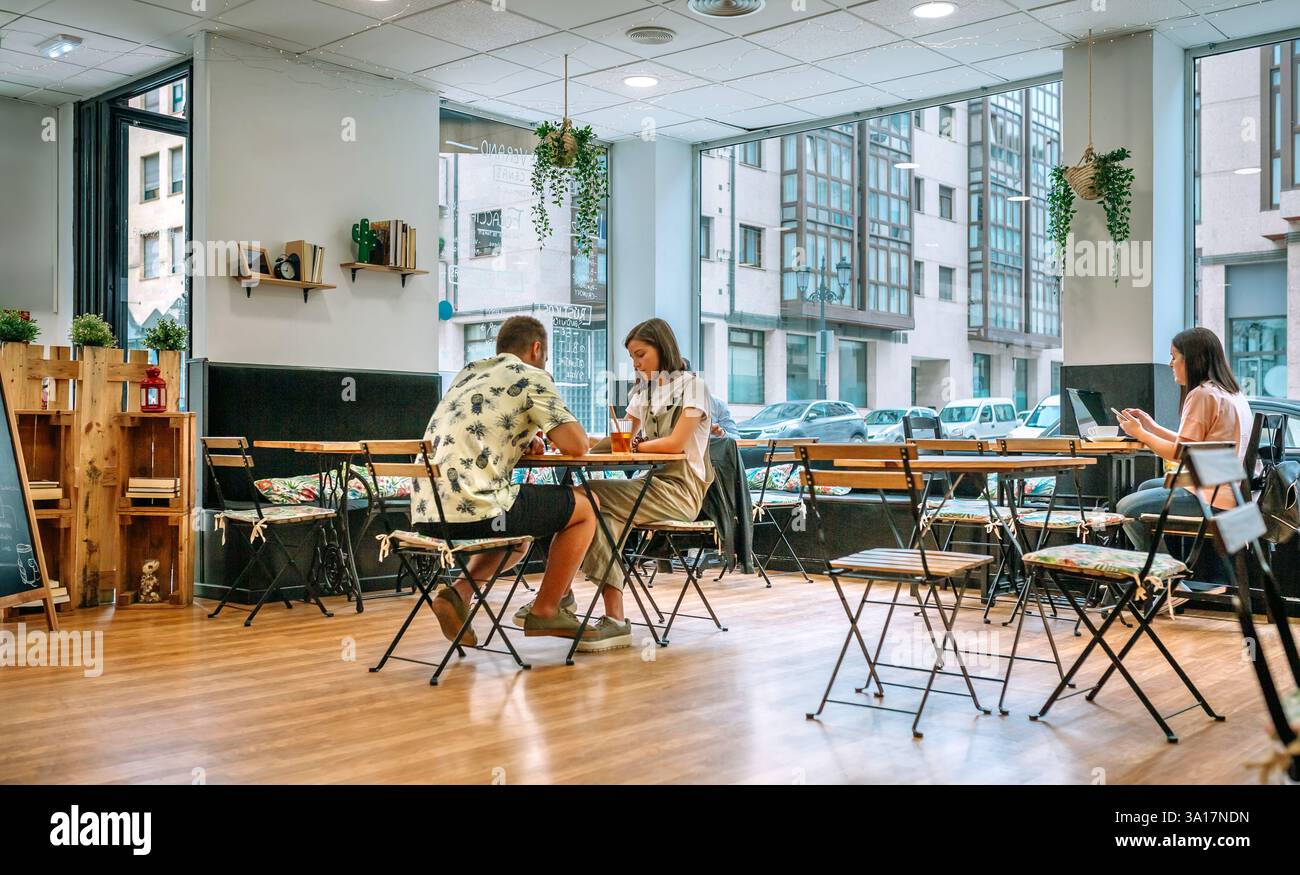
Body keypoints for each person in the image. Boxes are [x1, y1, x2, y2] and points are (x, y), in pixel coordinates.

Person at [518, 318, 715, 653]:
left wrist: (633, 445)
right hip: (650, 484)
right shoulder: (643, 392)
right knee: (597, 516)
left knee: (584, 497)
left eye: (641, 355)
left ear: (662, 348)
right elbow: (622, 437)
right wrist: (580, 444)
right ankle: (616, 621)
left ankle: (560, 595)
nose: (636, 364)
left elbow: (676, 443)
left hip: (681, 491)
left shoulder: (693, 388)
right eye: (632, 358)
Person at [414, 315, 598, 646]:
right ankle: (546, 609)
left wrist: (523, 438)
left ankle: (457, 594)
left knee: (519, 538)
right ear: (537, 348)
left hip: (428, 511)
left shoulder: (468, 374)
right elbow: (578, 445)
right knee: (588, 505)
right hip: (477, 508)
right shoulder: (530, 376)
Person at [1115, 327, 1252, 588]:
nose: (1170, 364)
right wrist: (1151, 427)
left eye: (1174, 357)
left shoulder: (1202, 394)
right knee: (1146, 488)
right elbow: (1192, 445)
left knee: (1127, 508)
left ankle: (1168, 583)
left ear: (1193, 359)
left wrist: (1141, 434)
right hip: (1231, 492)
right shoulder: (1230, 393)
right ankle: (1164, 579)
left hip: (1211, 496)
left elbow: (1181, 454)